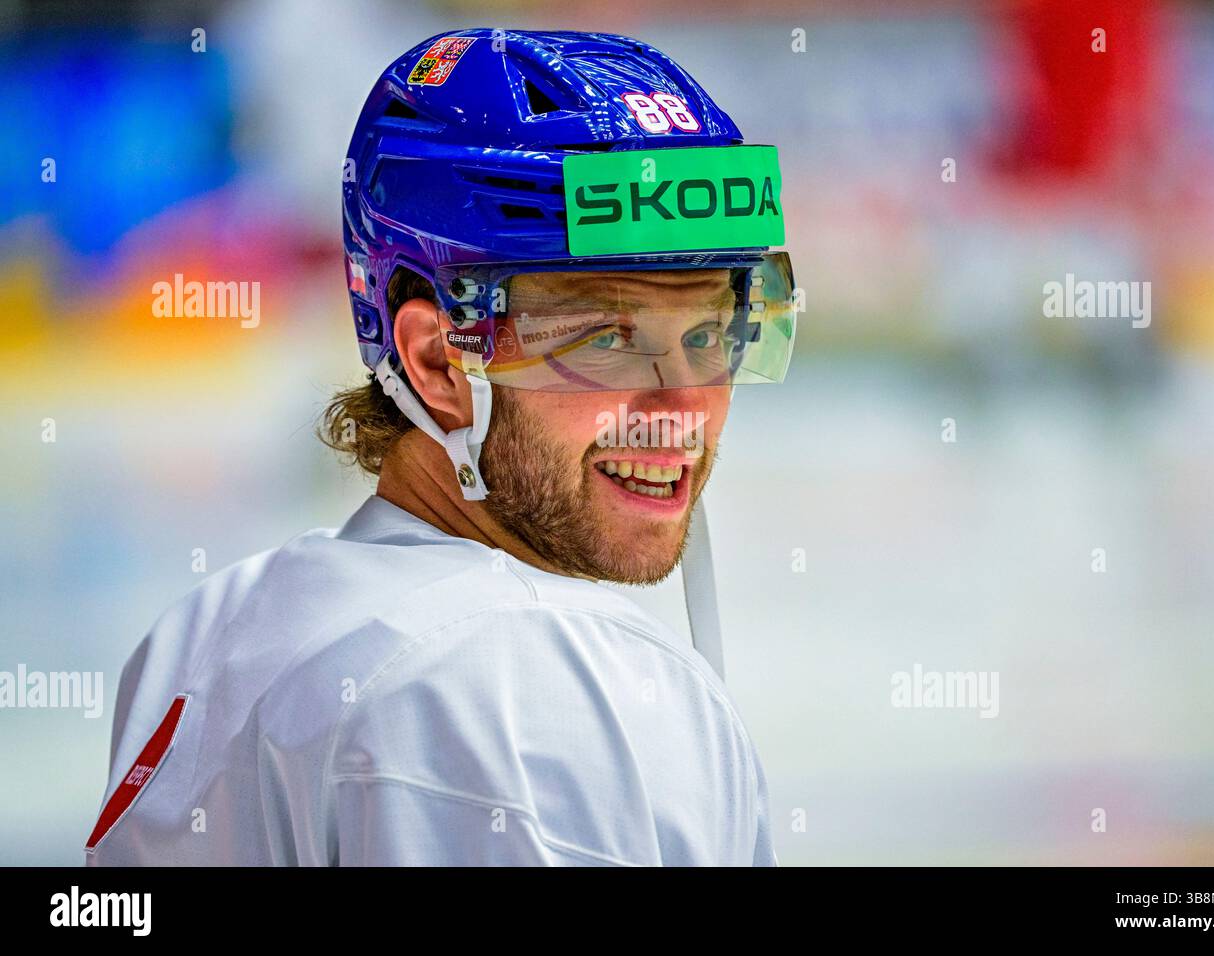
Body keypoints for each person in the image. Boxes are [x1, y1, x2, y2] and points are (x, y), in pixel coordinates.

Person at [86, 28, 797, 866]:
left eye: (710, 333)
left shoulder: (201, 634)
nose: (684, 408)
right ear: (435, 360)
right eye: (608, 339)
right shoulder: (539, 687)